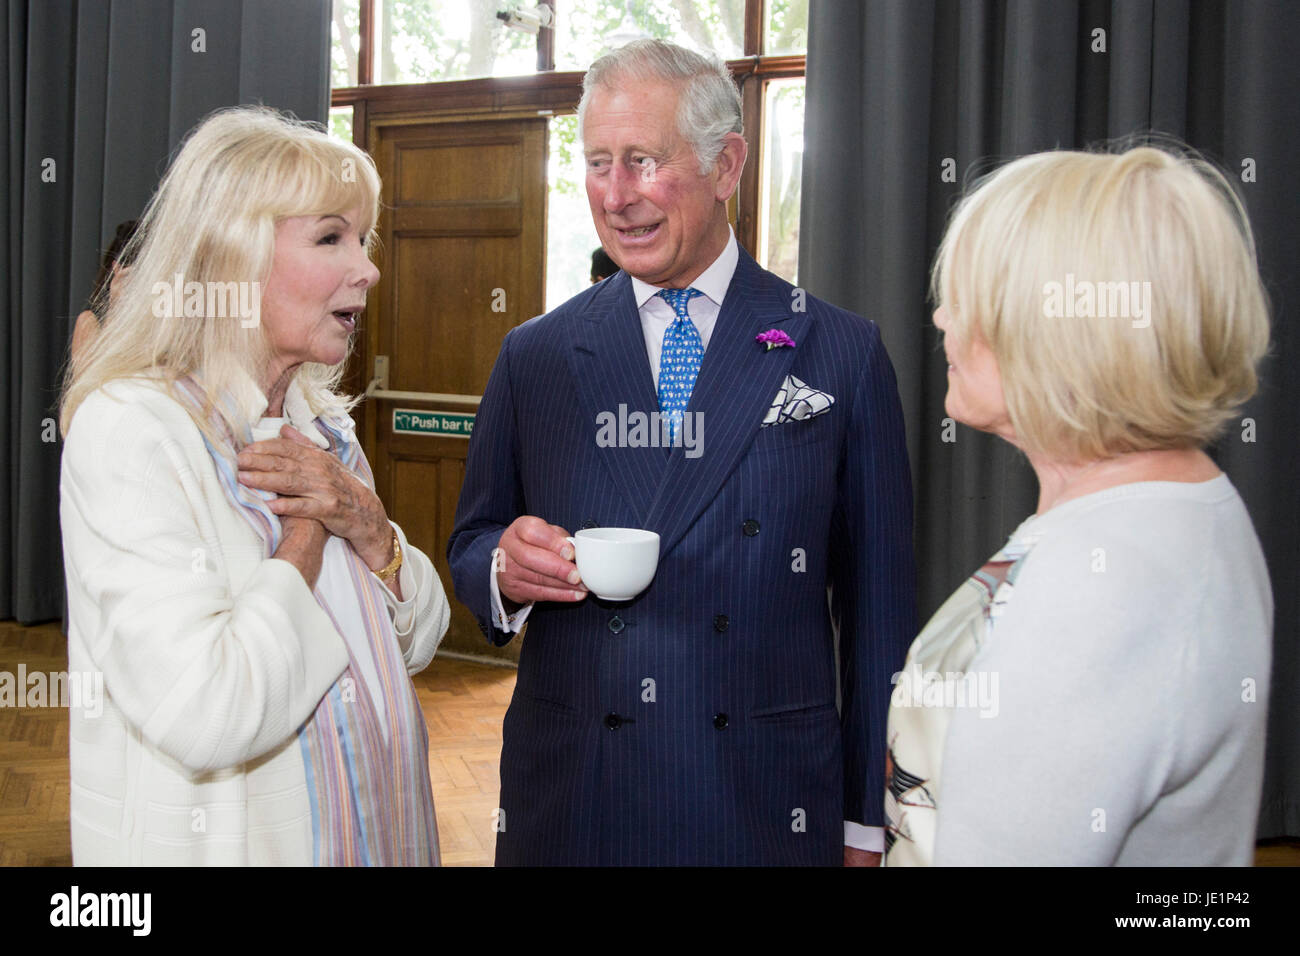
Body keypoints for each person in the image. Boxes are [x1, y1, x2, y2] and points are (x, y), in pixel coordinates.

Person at [448, 39, 916, 866]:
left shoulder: (839, 351)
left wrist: (862, 820)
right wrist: (502, 570)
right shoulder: (537, 354)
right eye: (598, 163)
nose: (617, 195)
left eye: (642, 161)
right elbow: (473, 542)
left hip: (761, 799)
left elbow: (879, 615)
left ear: (727, 165)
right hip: (577, 796)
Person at [59, 107, 450, 866]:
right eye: (331, 237)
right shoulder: (133, 430)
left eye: (361, 240)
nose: (367, 268)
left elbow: (420, 641)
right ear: (233, 257)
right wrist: (308, 529)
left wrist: (369, 526)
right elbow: (208, 709)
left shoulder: (321, 426)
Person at [884, 145, 1272, 866]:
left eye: (969, 297)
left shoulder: (1106, 586)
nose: (941, 317)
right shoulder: (1172, 503)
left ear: (1058, 327)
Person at [69, 219, 139, 364]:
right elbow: (89, 382)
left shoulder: (164, 319)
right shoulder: (90, 321)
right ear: (117, 269)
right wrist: (115, 308)